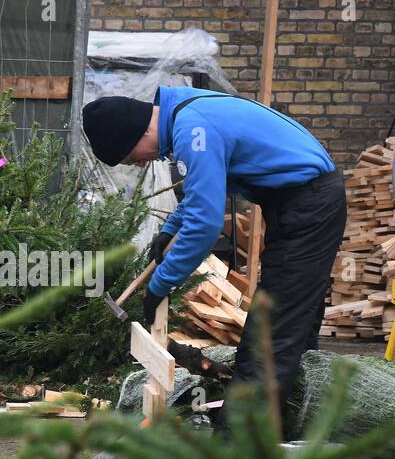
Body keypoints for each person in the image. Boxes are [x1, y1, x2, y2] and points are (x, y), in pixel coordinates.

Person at [82, 88, 347, 420]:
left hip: (310, 204)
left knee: (272, 332)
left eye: (128, 156)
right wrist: (169, 231)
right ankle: (300, 418)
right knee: (293, 323)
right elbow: (200, 193)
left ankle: (241, 448)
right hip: (300, 200)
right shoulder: (184, 118)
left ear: (135, 133)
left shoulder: (193, 129)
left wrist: (161, 284)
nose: (136, 162)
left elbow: (206, 224)